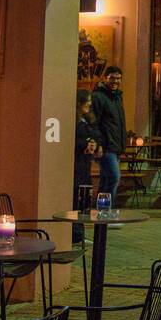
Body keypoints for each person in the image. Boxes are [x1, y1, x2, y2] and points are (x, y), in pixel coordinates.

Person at [91, 67, 127, 209]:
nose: (115, 81)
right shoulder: (98, 97)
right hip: (106, 146)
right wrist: (98, 143)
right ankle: (106, 212)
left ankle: (101, 212)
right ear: (106, 78)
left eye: (118, 78)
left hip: (115, 145)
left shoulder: (117, 97)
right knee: (113, 177)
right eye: (112, 78)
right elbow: (95, 122)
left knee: (106, 179)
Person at [73, 89, 101, 244]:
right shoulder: (75, 121)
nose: (90, 104)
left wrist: (94, 143)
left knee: (83, 199)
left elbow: (93, 134)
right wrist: (85, 144)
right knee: (77, 200)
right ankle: (76, 234)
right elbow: (73, 141)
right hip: (78, 166)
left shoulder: (86, 120)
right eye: (88, 101)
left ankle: (79, 232)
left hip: (84, 165)